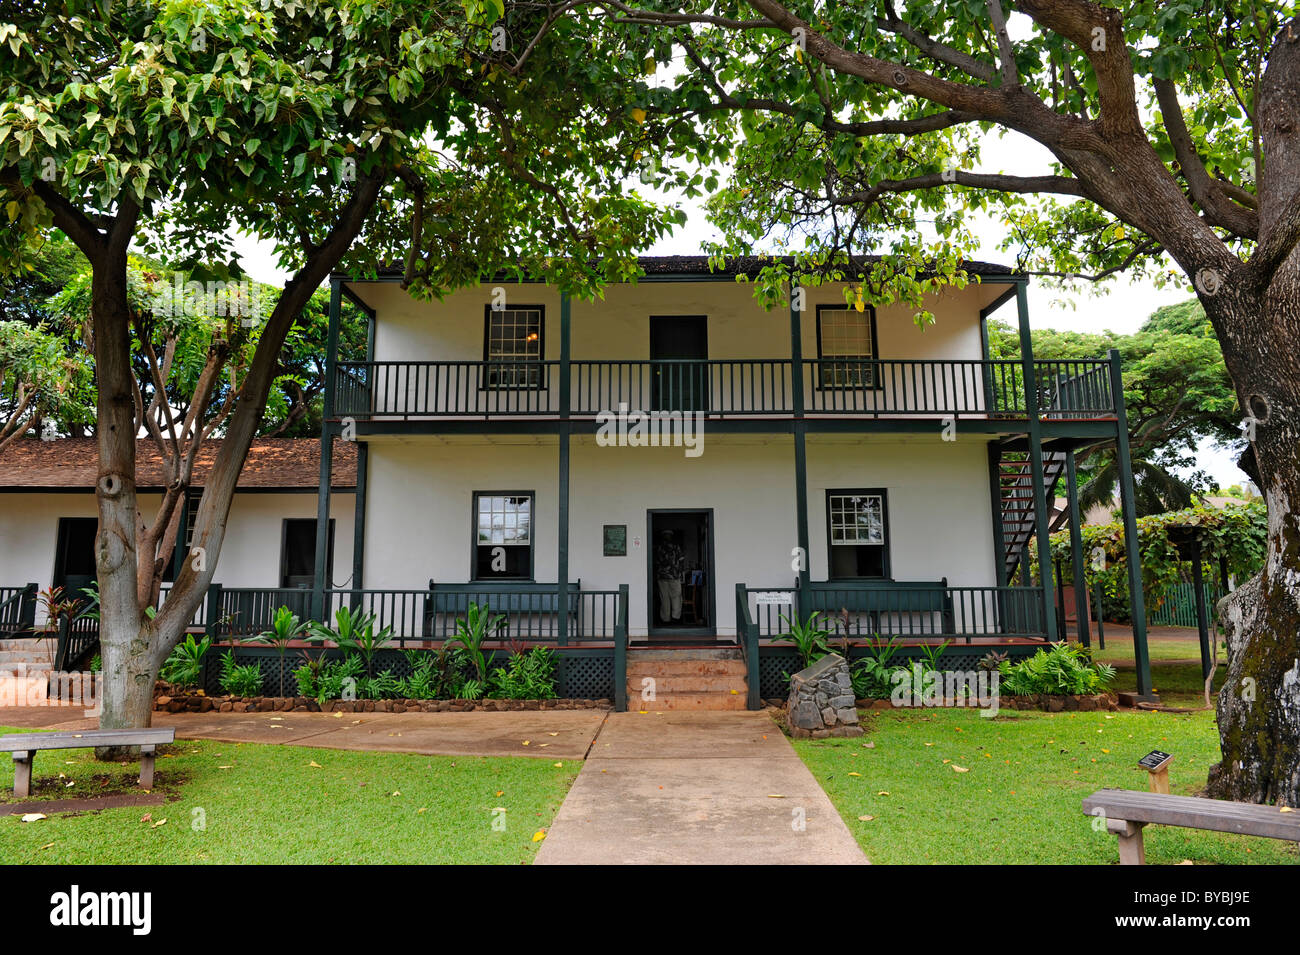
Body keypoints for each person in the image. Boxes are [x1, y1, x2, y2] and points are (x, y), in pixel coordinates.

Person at [655, 529, 685, 624]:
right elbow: (681, 561)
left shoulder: (659, 548)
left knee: (664, 598)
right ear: (671, 537)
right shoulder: (676, 547)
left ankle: (665, 619)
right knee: (676, 596)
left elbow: (656, 562)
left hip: (662, 576)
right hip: (674, 576)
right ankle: (675, 617)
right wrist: (681, 573)